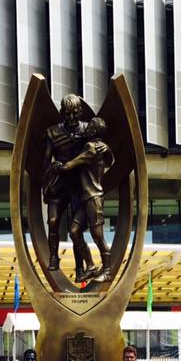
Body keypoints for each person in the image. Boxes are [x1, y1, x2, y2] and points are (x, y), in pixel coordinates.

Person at [64, 116, 114, 282]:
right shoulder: (103, 148)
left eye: (90, 126)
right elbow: (110, 161)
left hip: (93, 197)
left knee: (98, 235)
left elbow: (75, 162)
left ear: (94, 130)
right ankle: (91, 265)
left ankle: (107, 271)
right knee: (74, 231)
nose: (87, 128)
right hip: (87, 198)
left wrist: (62, 166)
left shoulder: (90, 147)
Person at [43, 93, 89, 271]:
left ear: (80, 111)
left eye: (75, 113)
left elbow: (94, 156)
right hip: (59, 184)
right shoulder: (53, 132)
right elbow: (45, 160)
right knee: (53, 221)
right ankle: (54, 257)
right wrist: (52, 166)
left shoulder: (87, 130)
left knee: (75, 229)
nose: (71, 118)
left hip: (79, 185)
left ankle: (80, 268)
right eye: (67, 114)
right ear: (62, 112)